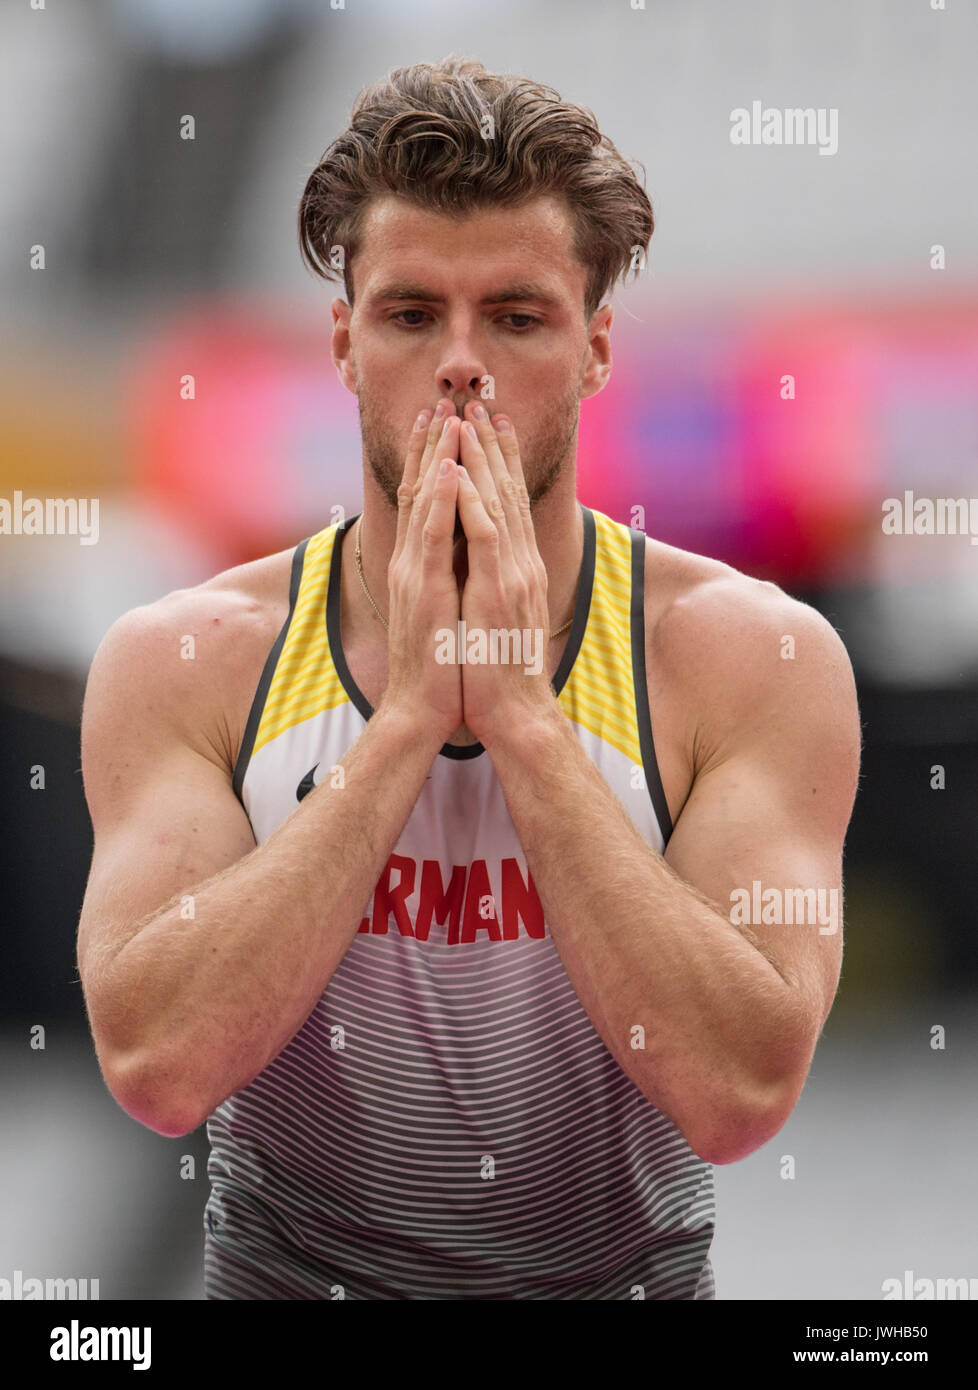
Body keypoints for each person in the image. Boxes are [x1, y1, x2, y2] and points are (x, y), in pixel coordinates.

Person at [76, 55, 860, 1300]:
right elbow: (159, 1068)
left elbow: (739, 1093)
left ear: (596, 348)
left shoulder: (748, 657)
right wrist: (398, 730)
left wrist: (523, 721)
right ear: (342, 343)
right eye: (408, 314)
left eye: (515, 314)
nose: (461, 363)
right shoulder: (187, 660)